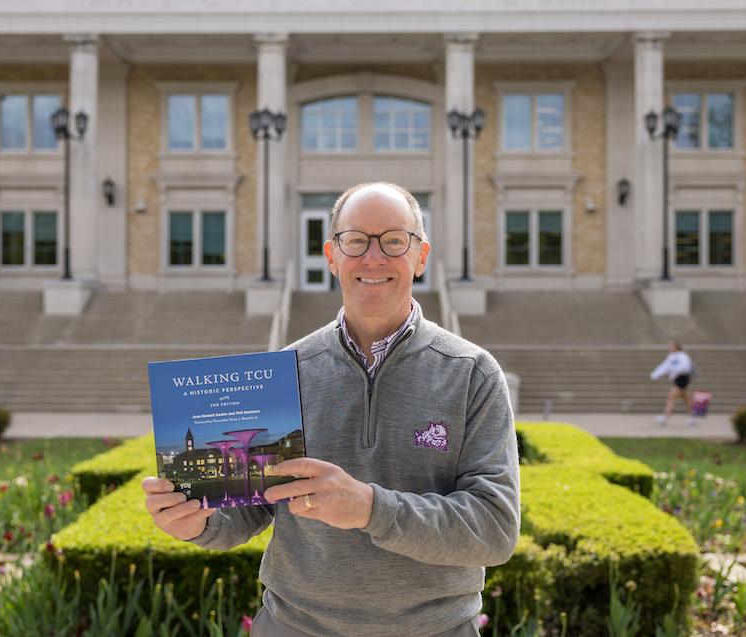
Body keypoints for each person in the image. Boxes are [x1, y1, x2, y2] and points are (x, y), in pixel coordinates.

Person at [142, 182, 521, 637]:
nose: (373, 258)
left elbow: (495, 529)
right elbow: (247, 512)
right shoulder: (284, 372)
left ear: (420, 257)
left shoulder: (472, 373)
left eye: (394, 241)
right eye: (356, 241)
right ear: (332, 255)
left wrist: (369, 507)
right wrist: (195, 521)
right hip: (294, 626)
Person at [649, 340, 697, 426]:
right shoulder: (671, 356)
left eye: (672, 346)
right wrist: (656, 374)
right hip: (677, 379)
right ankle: (693, 417)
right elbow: (664, 366)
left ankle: (665, 418)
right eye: (669, 346)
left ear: (677, 347)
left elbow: (685, 367)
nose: (670, 348)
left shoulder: (682, 356)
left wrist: (673, 370)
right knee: (686, 399)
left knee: (671, 396)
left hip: (682, 378)